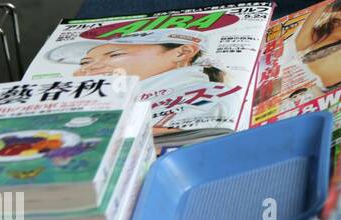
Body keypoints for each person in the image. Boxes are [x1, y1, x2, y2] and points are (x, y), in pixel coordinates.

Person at [47, 28, 238, 139]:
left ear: (182, 52)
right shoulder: (109, 101)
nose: (87, 69)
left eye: (115, 54)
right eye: (85, 63)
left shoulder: (211, 97)